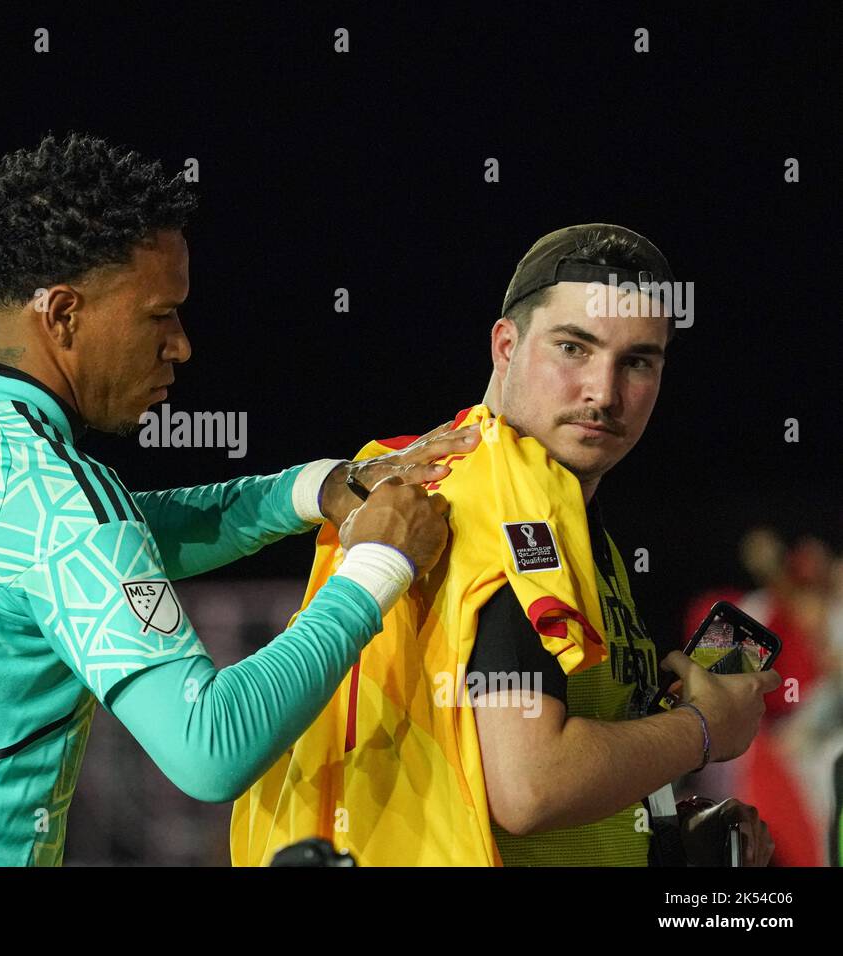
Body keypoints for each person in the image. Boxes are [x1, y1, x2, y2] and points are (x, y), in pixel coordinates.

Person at [0, 132, 480, 866]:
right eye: (159, 315)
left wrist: (313, 489)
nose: (181, 346)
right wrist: (376, 567)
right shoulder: (50, 499)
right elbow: (209, 747)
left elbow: (79, 556)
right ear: (64, 313)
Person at [232, 224, 779, 866]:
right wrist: (704, 730)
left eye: (637, 361)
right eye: (574, 348)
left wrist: (656, 832)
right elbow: (531, 787)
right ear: (506, 346)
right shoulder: (503, 505)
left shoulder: (551, 501)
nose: (603, 392)